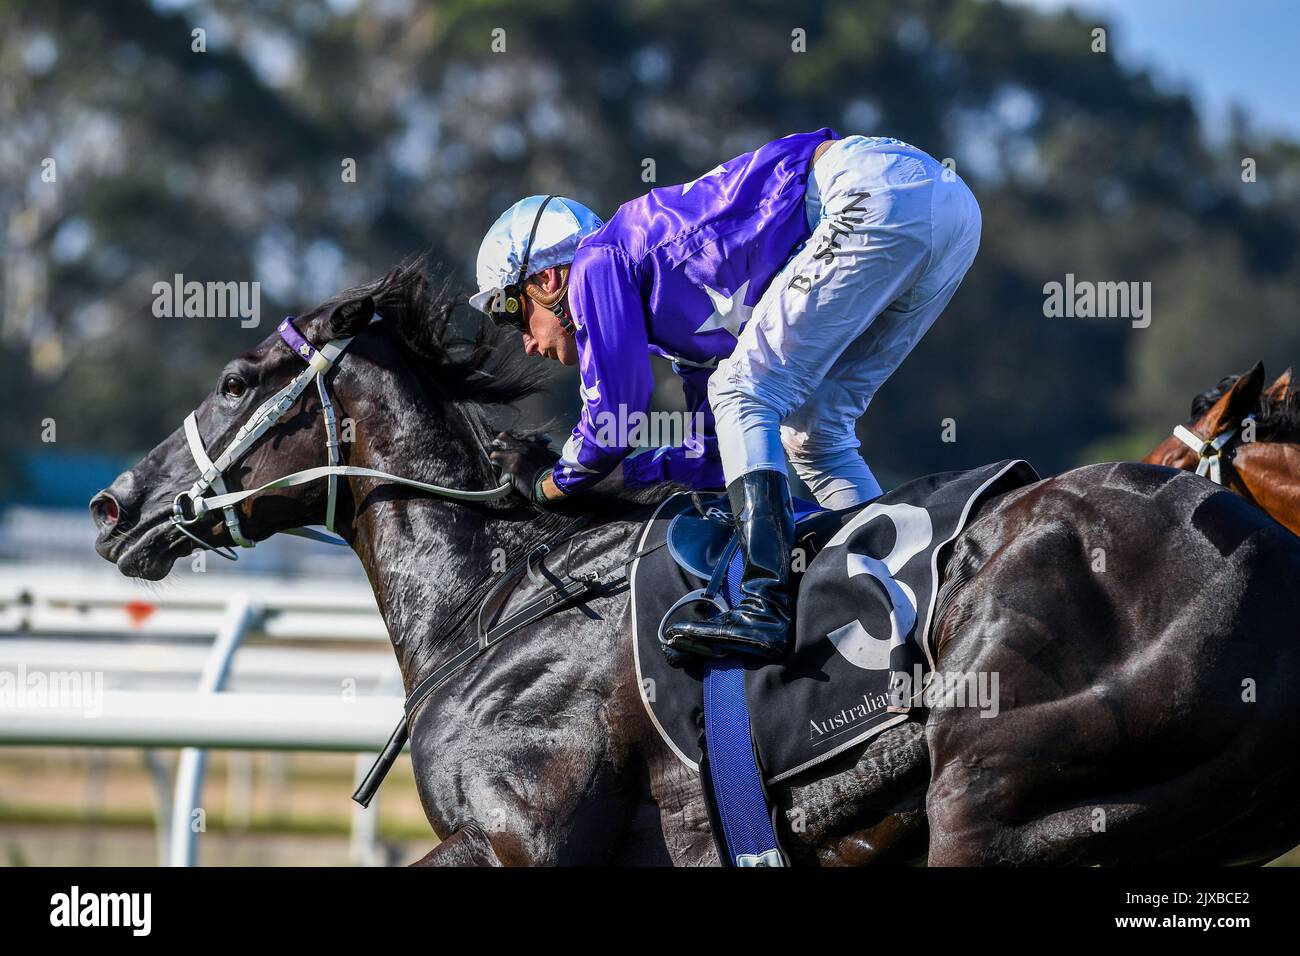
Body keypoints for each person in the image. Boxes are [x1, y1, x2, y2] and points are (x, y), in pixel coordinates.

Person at [473, 130, 981, 663]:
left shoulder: (597, 261)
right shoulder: (678, 331)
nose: (526, 341)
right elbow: (712, 461)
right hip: (944, 207)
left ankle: (766, 603)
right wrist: (614, 481)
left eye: (513, 313)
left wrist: (555, 481)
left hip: (869, 190)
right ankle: (899, 593)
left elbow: (618, 408)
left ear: (550, 279)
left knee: (741, 389)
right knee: (816, 431)